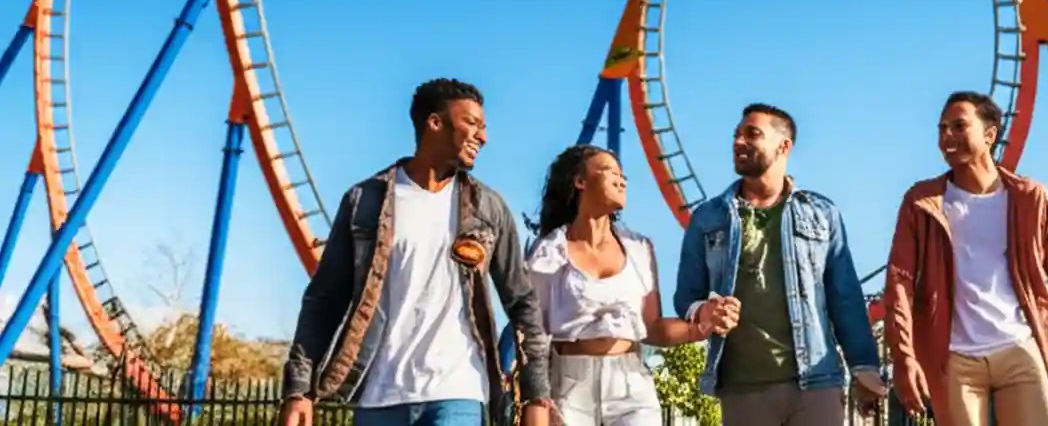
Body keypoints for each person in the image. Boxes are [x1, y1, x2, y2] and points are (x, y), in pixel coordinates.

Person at [279, 78, 551, 426]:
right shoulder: (365, 201)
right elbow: (325, 298)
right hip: (378, 394)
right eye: (473, 123)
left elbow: (522, 302)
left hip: (457, 390)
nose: (484, 137)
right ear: (435, 122)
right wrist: (299, 390)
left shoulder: (489, 208)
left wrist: (536, 396)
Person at [883, 91, 1048, 426]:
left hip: (1019, 346)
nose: (946, 136)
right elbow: (899, 282)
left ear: (990, 134)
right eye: (942, 128)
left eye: (959, 126)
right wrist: (903, 357)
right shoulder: (921, 203)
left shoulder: (1031, 198)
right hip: (955, 358)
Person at [672, 103, 888, 426]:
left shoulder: (822, 214)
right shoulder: (707, 218)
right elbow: (685, 296)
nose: (738, 141)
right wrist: (704, 311)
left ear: (784, 146)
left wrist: (864, 367)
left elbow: (845, 298)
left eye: (752, 134)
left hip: (816, 382)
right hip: (742, 387)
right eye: (736, 134)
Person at [525, 144, 723, 426]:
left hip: (630, 386)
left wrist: (702, 324)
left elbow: (652, 329)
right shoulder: (548, 253)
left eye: (623, 175)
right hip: (569, 387)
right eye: (609, 172)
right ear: (580, 181)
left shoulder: (640, 248)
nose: (621, 180)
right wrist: (536, 406)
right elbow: (534, 339)